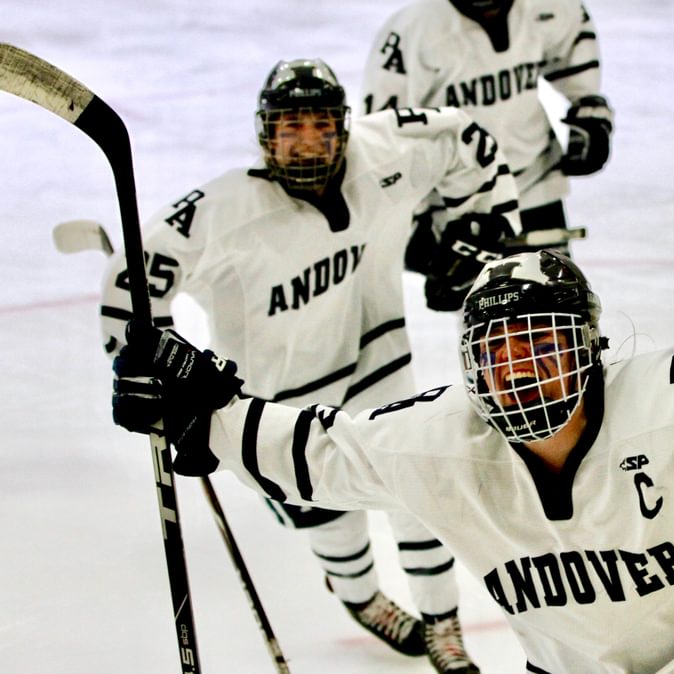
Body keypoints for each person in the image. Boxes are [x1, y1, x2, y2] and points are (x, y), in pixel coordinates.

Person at [110, 170, 674, 672]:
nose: (519, 373)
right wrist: (203, 405)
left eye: (542, 345)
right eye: (497, 355)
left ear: (589, 347)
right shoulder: (444, 443)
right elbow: (315, 452)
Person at [99, 58, 522, 672]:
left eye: (321, 126)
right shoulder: (222, 211)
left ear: (344, 129)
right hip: (278, 406)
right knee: (334, 527)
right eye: (289, 127)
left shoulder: (385, 153)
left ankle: (442, 622)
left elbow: (463, 136)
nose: (306, 142)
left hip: (380, 367)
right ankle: (361, 599)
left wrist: (483, 223)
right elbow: (128, 279)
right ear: (265, 134)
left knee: (418, 492)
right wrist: (145, 369)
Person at [360, 0, 613, 310]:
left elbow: (574, 45)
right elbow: (387, 132)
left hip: (536, 180)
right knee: (489, 321)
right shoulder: (411, 32)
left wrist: (589, 110)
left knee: (560, 308)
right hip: (464, 200)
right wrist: (414, 220)